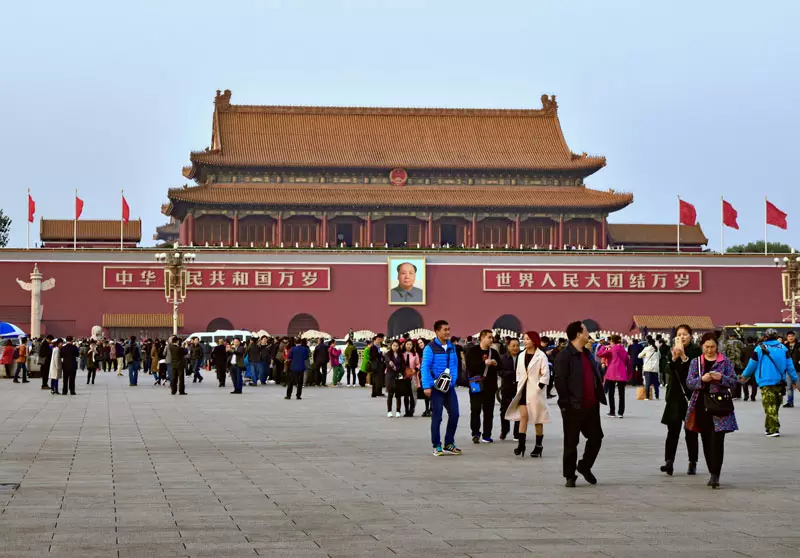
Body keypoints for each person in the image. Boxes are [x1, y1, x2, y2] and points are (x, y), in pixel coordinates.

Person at [554, 321, 607, 488]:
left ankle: (584, 466)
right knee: (571, 441)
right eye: (585, 330)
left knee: (596, 437)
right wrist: (565, 404)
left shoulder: (586, 353)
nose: (588, 333)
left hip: (591, 405)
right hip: (573, 406)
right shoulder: (565, 356)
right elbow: (560, 381)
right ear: (578, 334)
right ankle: (570, 475)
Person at [685, 332, 738, 488]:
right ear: (702, 346)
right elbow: (689, 382)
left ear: (717, 347)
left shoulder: (724, 362)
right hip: (701, 404)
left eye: (712, 347)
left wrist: (720, 378)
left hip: (719, 405)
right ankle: (711, 470)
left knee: (718, 440)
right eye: (707, 347)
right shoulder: (696, 363)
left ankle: (716, 474)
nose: (709, 350)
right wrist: (702, 379)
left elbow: (733, 381)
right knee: (706, 440)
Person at [660, 324, 701, 476]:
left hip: (690, 396)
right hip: (675, 397)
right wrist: (673, 358)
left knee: (691, 431)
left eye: (685, 334)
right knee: (672, 431)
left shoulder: (696, 351)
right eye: (679, 334)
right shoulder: (671, 350)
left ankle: (692, 462)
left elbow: (693, 371)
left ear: (691, 336)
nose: (682, 337)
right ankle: (669, 462)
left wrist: (683, 356)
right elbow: (667, 371)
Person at [741, 328, 798, 437]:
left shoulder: (759, 349)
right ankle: (769, 427)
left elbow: (752, 364)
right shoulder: (783, 348)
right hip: (780, 381)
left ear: (765, 336)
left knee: (769, 405)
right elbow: (790, 366)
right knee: (775, 405)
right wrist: (795, 380)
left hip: (765, 381)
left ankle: (773, 429)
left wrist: (745, 376)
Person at [421, 320, 461, 457]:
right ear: (437, 332)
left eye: (448, 329)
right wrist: (426, 386)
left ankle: (449, 443)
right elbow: (425, 367)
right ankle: (436, 445)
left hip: (449, 387)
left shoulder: (452, 347)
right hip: (435, 387)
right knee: (437, 417)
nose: (447, 332)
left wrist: (452, 381)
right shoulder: (430, 348)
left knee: (455, 414)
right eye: (444, 330)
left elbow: (454, 365)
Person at [507, 331, 550, 458]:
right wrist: (518, 383)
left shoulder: (541, 356)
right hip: (523, 390)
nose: (525, 341)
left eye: (527, 339)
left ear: (534, 340)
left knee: (538, 419)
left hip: (535, 391)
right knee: (523, 417)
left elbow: (545, 374)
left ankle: (538, 446)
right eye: (524, 339)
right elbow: (519, 372)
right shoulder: (521, 355)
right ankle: (521, 445)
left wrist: (539, 387)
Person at [465, 329, 500, 444]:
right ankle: (475, 432)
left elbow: (500, 367)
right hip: (476, 385)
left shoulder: (494, 352)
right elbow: (471, 368)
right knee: (475, 409)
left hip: (490, 386)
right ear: (482, 338)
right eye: (489, 337)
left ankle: (487, 434)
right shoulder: (472, 351)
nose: (491, 339)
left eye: (492, 337)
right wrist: (484, 363)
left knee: (488, 411)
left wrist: (495, 363)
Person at [597, 335, 630, 418]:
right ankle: (620, 413)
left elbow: (599, 354)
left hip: (612, 372)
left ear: (612, 341)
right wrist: (629, 374)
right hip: (622, 373)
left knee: (611, 393)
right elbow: (628, 363)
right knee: (621, 394)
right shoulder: (624, 350)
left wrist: (604, 347)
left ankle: (612, 411)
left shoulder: (611, 349)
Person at [498, 338, 521, 441]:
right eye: (513, 345)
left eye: (517, 345)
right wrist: (512, 373)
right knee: (504, 410)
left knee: (520, 409)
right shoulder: (503, 358)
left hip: (519, 387)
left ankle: (517, 433)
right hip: (507, 387)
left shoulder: (523, 357)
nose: (515, 348)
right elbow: (500, 372)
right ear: (508, 346)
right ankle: (504, 430)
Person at [384, 340, 405, 417]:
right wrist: (390, 363)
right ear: (391, 346)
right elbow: (387, 359)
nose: (395, 347)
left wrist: (400, 370)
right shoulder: (388, 354)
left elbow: (403, 365)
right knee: (390, 394)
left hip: (398, 375)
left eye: (397, 346)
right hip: (390, 376)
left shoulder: (400, 355)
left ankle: (398, 411)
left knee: (398, 394)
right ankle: (389, 411)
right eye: (394, 345)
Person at [724, 333, 745, 400]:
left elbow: (724, 353)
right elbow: (743, 352)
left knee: (731, 378)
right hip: (739, 363)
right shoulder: (740, 343)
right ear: (736, 336)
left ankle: (734, 395)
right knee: (738, 378)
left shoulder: (726, 343)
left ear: (730, 336)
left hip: (730, 363)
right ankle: (739, 395)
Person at [783, 331, 800, 408]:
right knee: (789, 386)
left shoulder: (799, 345)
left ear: (794, 336)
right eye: (789, 336)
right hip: (788, 369)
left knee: (799, 385)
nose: (790, 337)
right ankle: (790, 402)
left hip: (797, 368)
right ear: (787, 337)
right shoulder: (784, 346)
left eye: (792, 336)